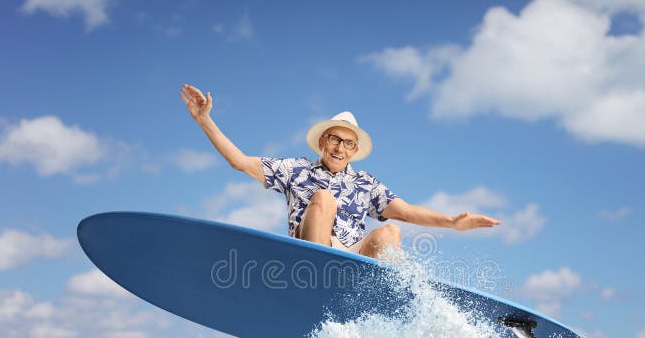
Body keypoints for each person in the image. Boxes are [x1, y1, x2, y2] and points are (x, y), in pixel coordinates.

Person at [179, 83, 500, 259]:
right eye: (334, 139)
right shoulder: (296, 169)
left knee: (391, 232)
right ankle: (319, 268)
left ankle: (392, 297)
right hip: (314, 249)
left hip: (351, 258)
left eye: (348, 144)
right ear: (322, 141)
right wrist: (204, 120)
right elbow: (240, 161)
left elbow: (406, 211)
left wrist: (452, 222)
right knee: (323, 198)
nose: (340, 148)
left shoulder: (365, 183)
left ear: (355, 151)